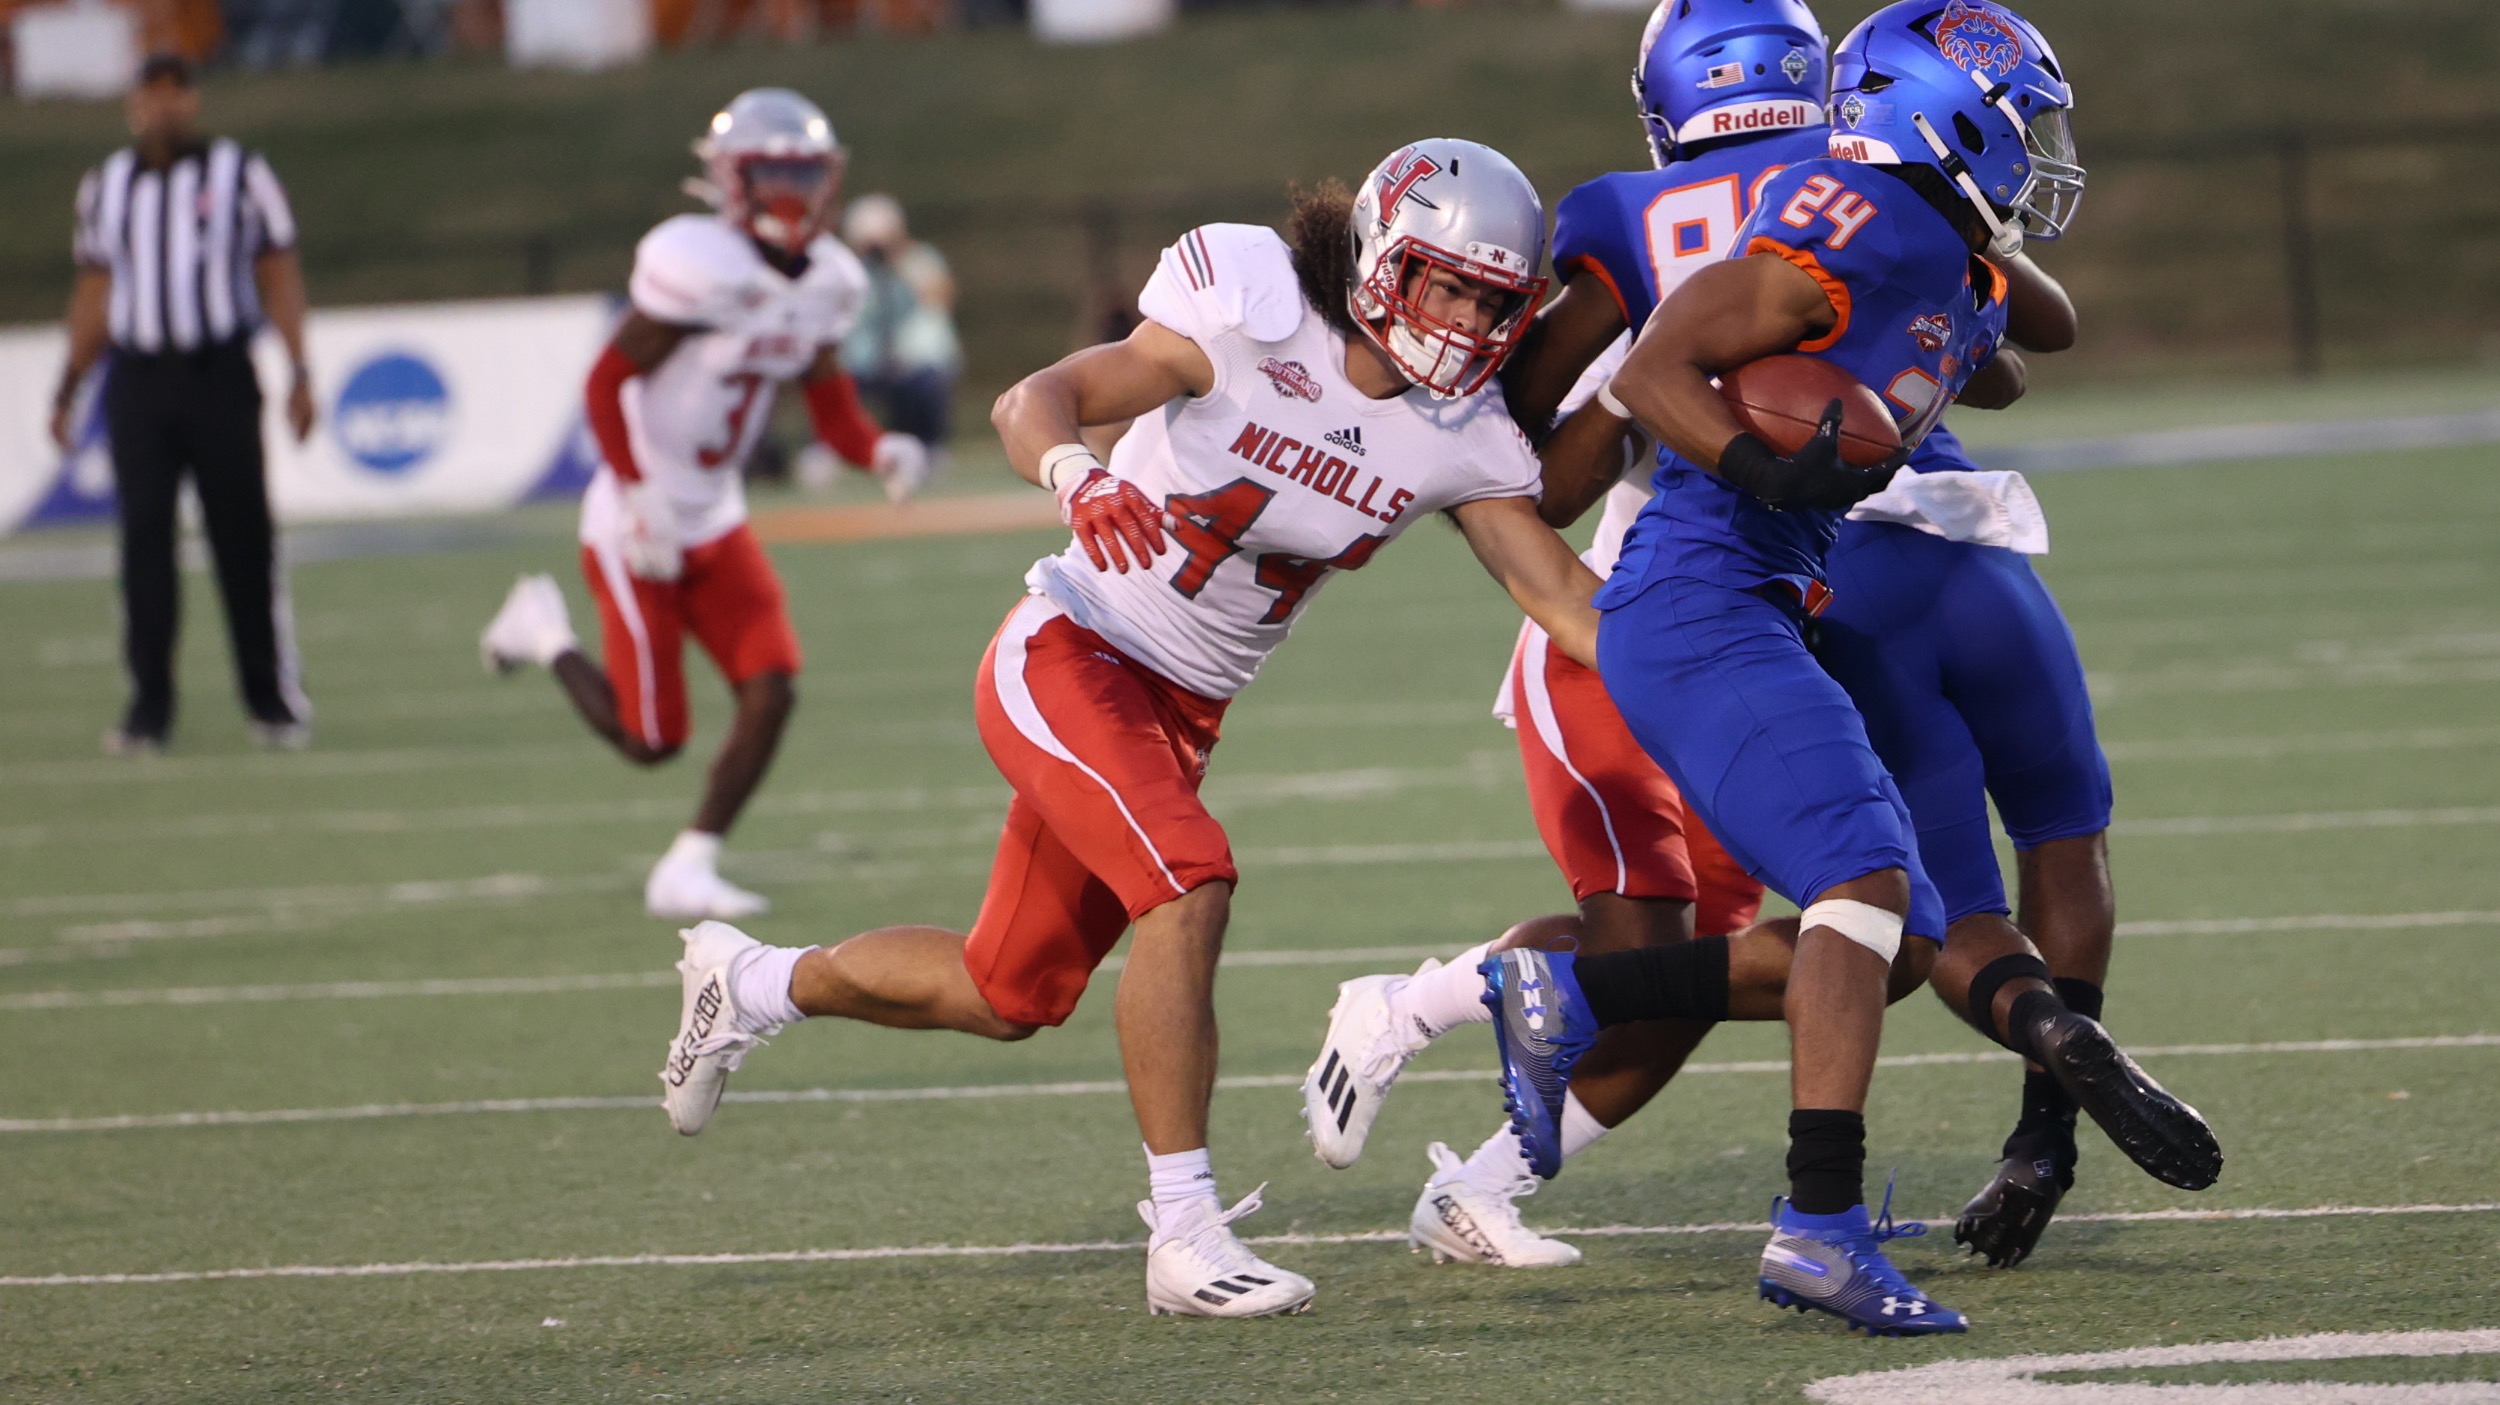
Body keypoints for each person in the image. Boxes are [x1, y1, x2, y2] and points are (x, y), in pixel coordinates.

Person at [1321, 1, 2222, 1337]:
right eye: (2021, 131)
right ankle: (1756, 1192)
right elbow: (1666, 365)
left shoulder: (1925, 256)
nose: (2041, 156)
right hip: (1693, 592)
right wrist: (1756, 451)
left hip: (1743, 599)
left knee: (1872, 925)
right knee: (1841, 909)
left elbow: (2011, 353)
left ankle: (1593, 1084)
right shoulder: (1840, 216)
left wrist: (1956, 286)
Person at [650, 140, 1607, 1318]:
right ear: (1375, 258)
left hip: (1178, 714)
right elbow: (1034, 398)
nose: (1460, 319)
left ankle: (751, 982)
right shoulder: (1250, 309)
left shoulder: (1461, 433)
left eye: (1488, 299)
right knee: (1190, 882)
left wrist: (1718, 674)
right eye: (1441, 282)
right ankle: (1185, 1234)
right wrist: (1074, 475)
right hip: (1072, 645)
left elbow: (1567, 602)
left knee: (1008, 993)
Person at [1302, 0, 1818, 1269]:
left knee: (1687, 977)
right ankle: (1414, 1006)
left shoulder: (1685, 222)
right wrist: (1659, 397)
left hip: (1754, 643)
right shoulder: (1790, 217)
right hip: (1620, 637)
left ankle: (1478, 1180)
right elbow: (1519, 475)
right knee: (1643, 953)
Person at [478, 89, 930, 921]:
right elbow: (607, 379)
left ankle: (689, 863)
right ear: (734, 181)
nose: (793, 193)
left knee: (773, 685)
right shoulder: (701, 266)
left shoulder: (829, 281)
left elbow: (827, 400)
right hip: (637, 515)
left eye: (806, 173)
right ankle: (542, 630)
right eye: (775, 173)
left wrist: (876, 449)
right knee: (652, 740)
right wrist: (637, 490)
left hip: (716, 515)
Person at [51, 53, 317, 756]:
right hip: (138, 379)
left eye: (175, 93)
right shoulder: (105, 186)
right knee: (143, 543)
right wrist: (68, 383)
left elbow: (278, 272)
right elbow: (94, 292)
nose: (162, 108)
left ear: (191, 101)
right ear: (133, 104)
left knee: (244, 539)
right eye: (150, 95)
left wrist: (299, 367)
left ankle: (270, 696)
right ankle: (149, 706)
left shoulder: (241, 175)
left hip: (218, 373)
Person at [838, 193, 962, 451]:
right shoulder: (849, 270)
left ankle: (929, 445)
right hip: (866, 359)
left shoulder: (919, 259)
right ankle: (834, 448)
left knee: (926, 380)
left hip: (911, 359)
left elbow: (939, 297)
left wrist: (899, 257)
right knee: (833, 381)